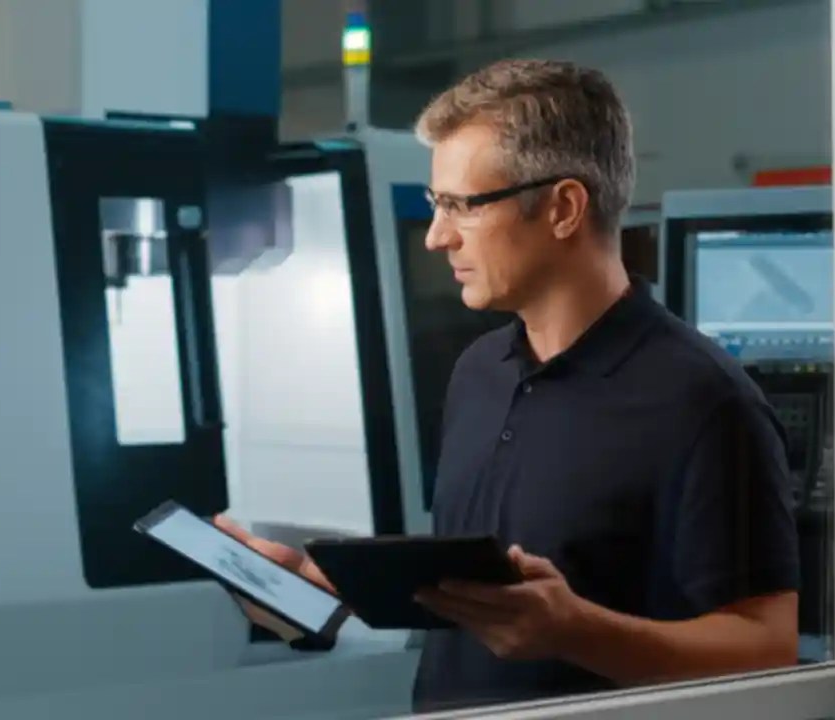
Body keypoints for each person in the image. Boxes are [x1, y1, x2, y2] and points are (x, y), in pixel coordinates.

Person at [217, 58, 800, 713]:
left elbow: (767, 651)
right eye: (438, 206)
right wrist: (311, 592)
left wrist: (578, 631)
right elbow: (472, 602)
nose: (438, 237)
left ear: (562, 208)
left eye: (462, 206)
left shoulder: (703, 400)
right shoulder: (479, 373)